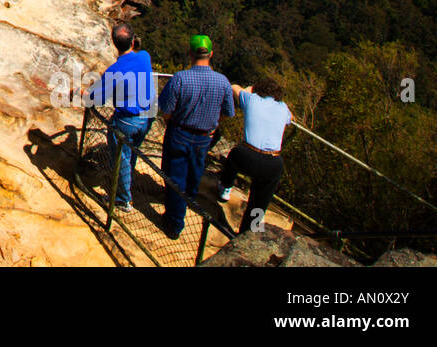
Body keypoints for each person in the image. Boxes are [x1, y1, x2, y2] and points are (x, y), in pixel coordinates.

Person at [157, 34, 234, 239]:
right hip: (204, 137)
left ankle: (174, 224)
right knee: (194, 173)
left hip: (179, 131)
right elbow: (228, 112)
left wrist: (172, 121)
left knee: (175, 177)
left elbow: (165, 109)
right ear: (211, 54)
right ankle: (187, 201)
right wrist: (212, 126)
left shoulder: (180, 78)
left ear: (190, 53)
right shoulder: (223, 82)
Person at [83, 22, 155, 213]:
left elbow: (96, 98)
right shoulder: (144, 58)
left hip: (126, 121)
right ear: (133, 41)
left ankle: (122, 199)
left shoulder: (114, 71)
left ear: (114, 43)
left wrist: (81, 91)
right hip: (147, 118)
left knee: (120, 158)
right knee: (130, 153)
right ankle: (125, 182)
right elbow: (138, 51)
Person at [217, 76, 292, 233]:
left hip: (247, 156)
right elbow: (290, 118)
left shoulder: (251, 99)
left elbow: (235, 87)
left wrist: (250, 88)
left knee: (234, 155)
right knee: (260, 201)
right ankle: (250, 233)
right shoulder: (283, 108)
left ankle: (225, 187)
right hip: (273, 162)